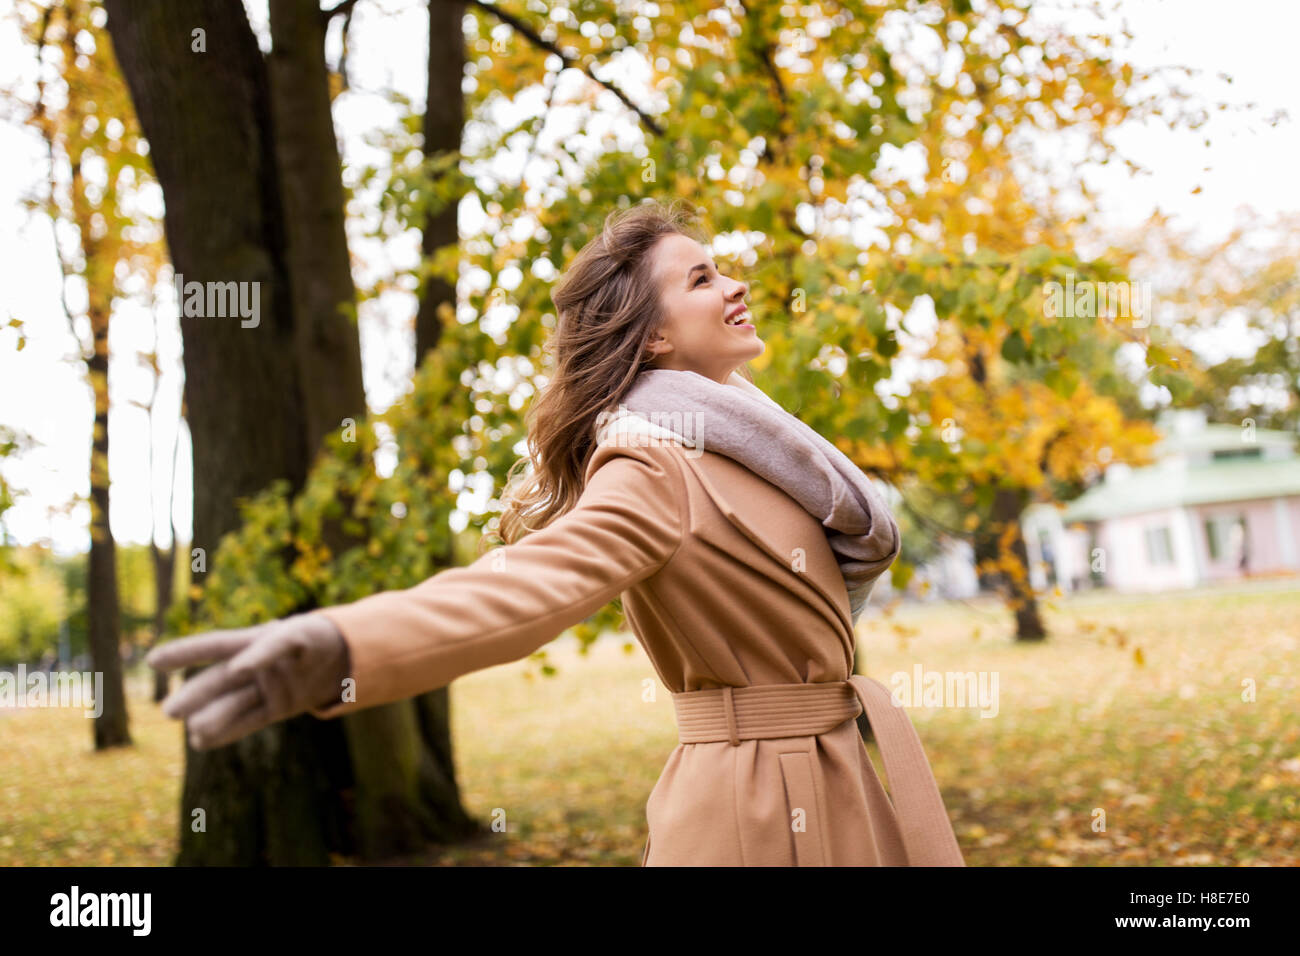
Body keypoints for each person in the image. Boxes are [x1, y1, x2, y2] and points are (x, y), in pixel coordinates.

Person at [150, 198, 964, 866]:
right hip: (755, 812)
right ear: (653, 334)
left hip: (838, 777)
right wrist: (342, 648)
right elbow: (526, 590)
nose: (737, 284)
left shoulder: (762, 445)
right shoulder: (651, 463)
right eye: (704, 277)